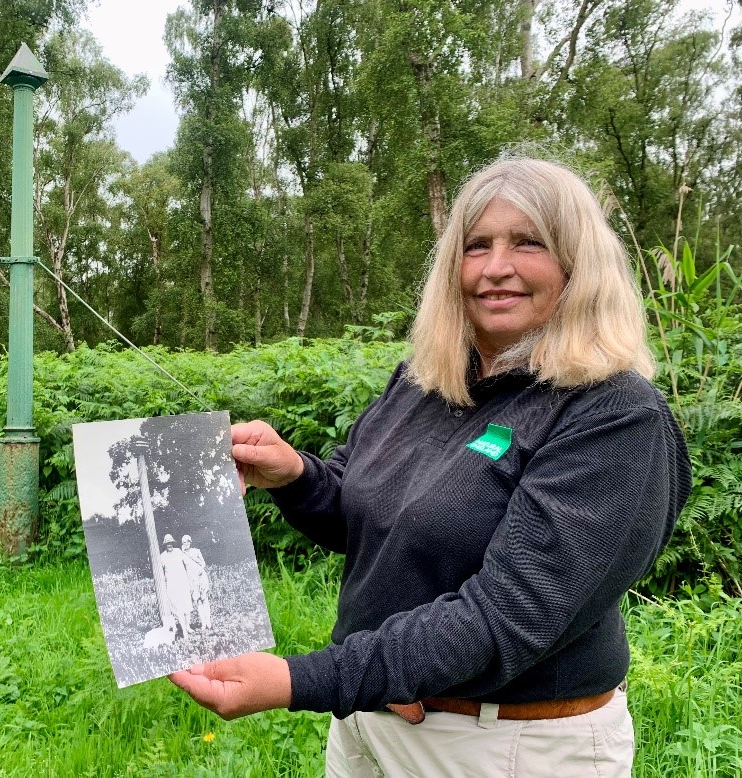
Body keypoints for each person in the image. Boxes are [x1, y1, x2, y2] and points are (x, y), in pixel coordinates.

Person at [169, 156, 691, 777]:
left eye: (528, 243)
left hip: (507, 747)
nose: (497, 268)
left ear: (579, 266)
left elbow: (503, 619)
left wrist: (297, 680)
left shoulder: (613, 415)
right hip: (371, 719)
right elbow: (365, 519)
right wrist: (297, 476)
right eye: (476, 246)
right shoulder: (423, 385)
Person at [159, 534, 193, 638]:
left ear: (173, 543)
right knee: (178, 609)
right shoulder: (162, 556)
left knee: (187, 607)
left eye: (171, 543)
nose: (169, 545)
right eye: (167, 544)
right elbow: (160, 573)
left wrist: (190, 580)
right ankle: (184, 632)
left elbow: (187, 564)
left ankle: (187, 626)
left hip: (183, 582)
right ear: (165, 545)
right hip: (172, 585)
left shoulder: (179, 552)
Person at [181, 534, 212, 631]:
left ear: (190, 542)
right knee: (198, 601)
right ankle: (203, 624)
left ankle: (208, 622)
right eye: (184, 542)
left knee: (205, 599)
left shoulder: (196, 551)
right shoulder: (182, 555)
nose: (186, 544)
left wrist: (200, 570)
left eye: (187, 541)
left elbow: (203, 563)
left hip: (201, 577)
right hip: (192, 580)